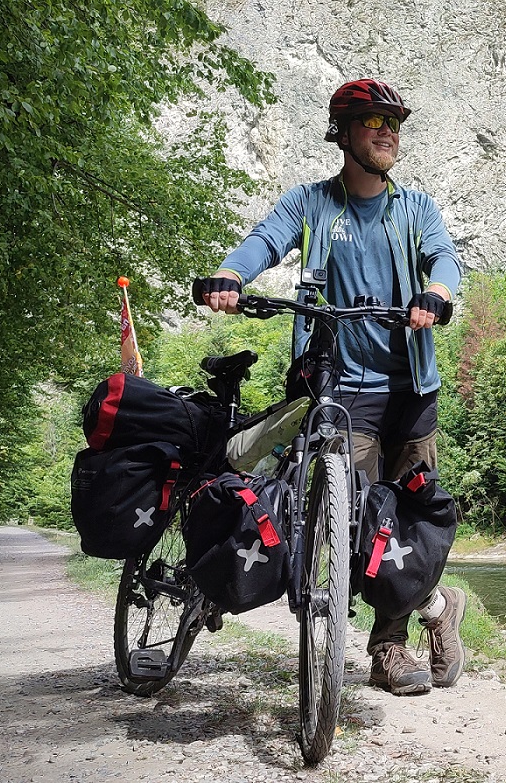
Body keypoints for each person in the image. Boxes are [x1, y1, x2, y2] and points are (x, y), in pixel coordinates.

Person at [199, 78, 466, 697]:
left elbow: (443, 258)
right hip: (342, 387)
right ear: (344, 133)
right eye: (373, 121)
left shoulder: (415, 208)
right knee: (356, 525)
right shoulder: (313, 204)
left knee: (413, 520)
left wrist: (438, 294)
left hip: (411, 389)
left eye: (393, 121)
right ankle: (419, 619)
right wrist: (230, 275)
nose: (387, 131)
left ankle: (392, 644)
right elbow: (264, 241)